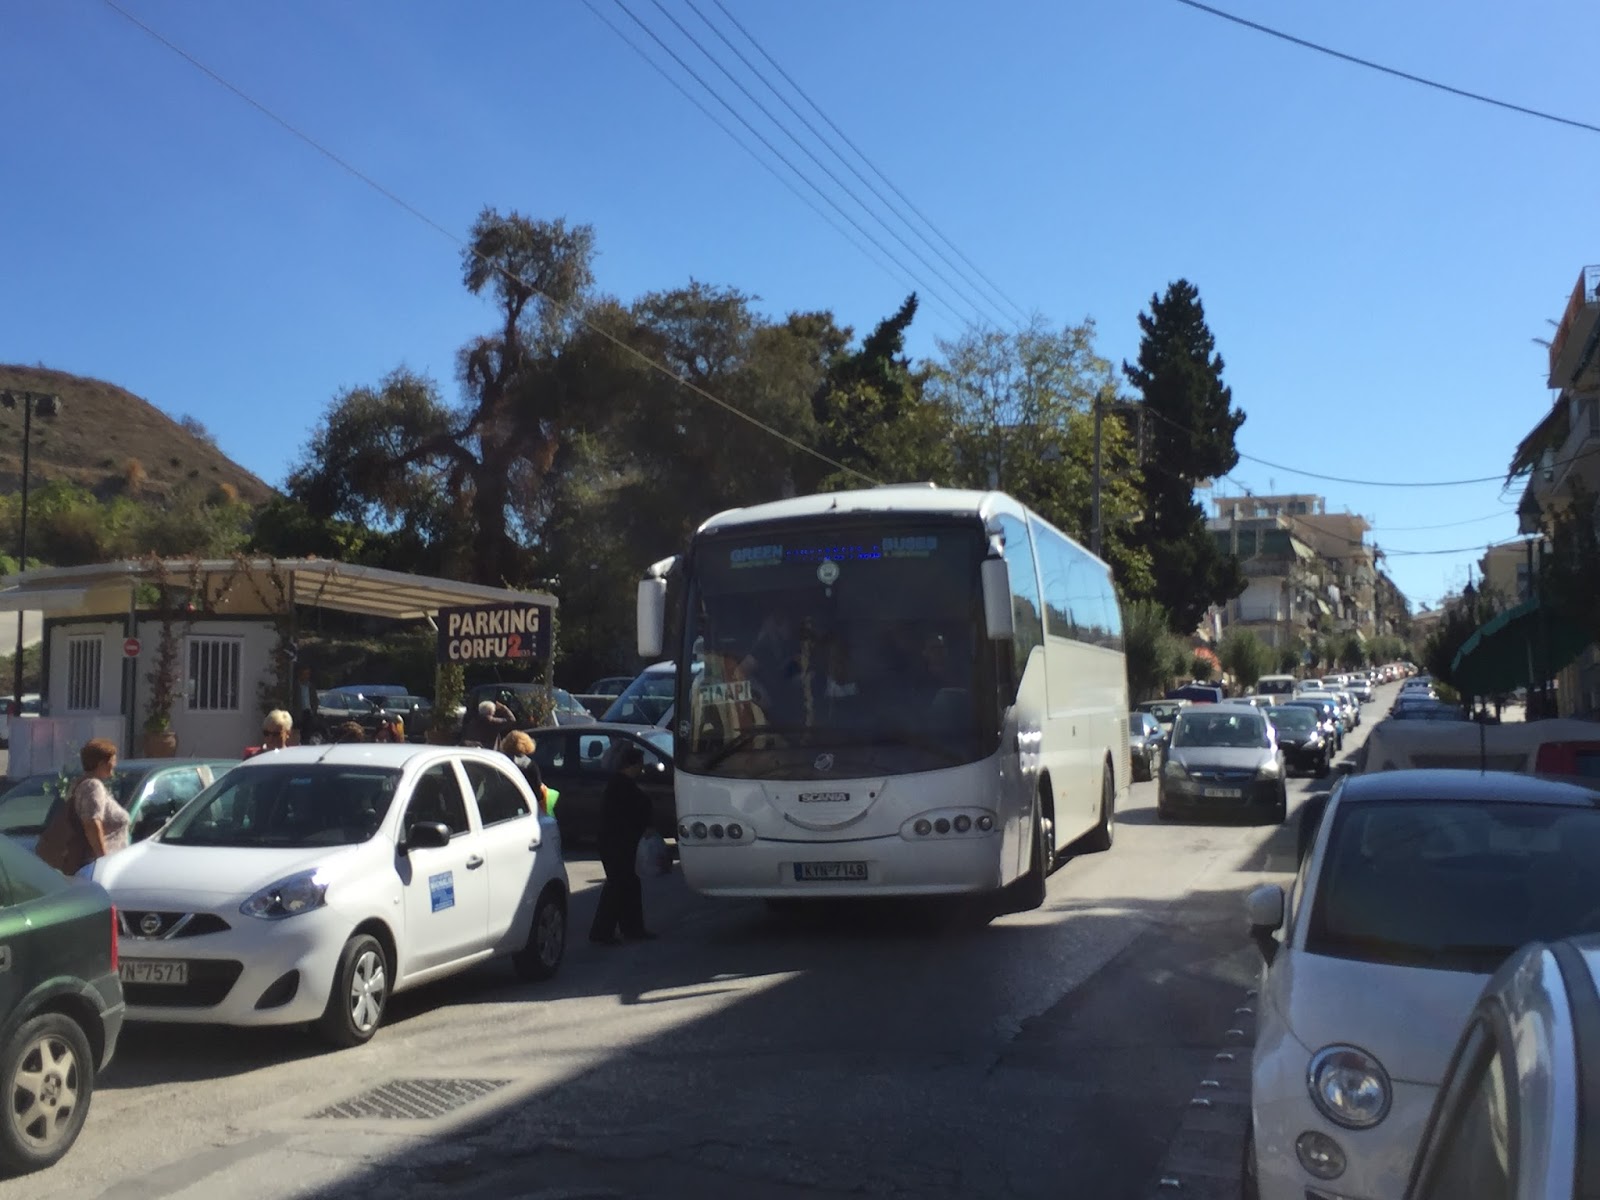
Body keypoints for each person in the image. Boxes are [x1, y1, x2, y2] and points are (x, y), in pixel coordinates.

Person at [589, 747, 655, 945]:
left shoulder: (619, 784)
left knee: (628, 884)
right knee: (618, 885)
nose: (642, 769)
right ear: (632, 765)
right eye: (640, 765)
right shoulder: (622, 787)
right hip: (617, 843)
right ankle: (602, 932)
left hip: (616, 842)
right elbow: (638, 808)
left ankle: (632, 928)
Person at [42, 738, 130, 873]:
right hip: (95, 867)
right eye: (113, 760)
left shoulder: (80, 784)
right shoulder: (93, 786)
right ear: (102, 763)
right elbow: (92, 824)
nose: (115, 764)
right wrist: (103, 861)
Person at [497, 729, 550, 815]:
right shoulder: (530, 765)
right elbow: (537, 791)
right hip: (525, 807)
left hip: (503, 807)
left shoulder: (500, 762)